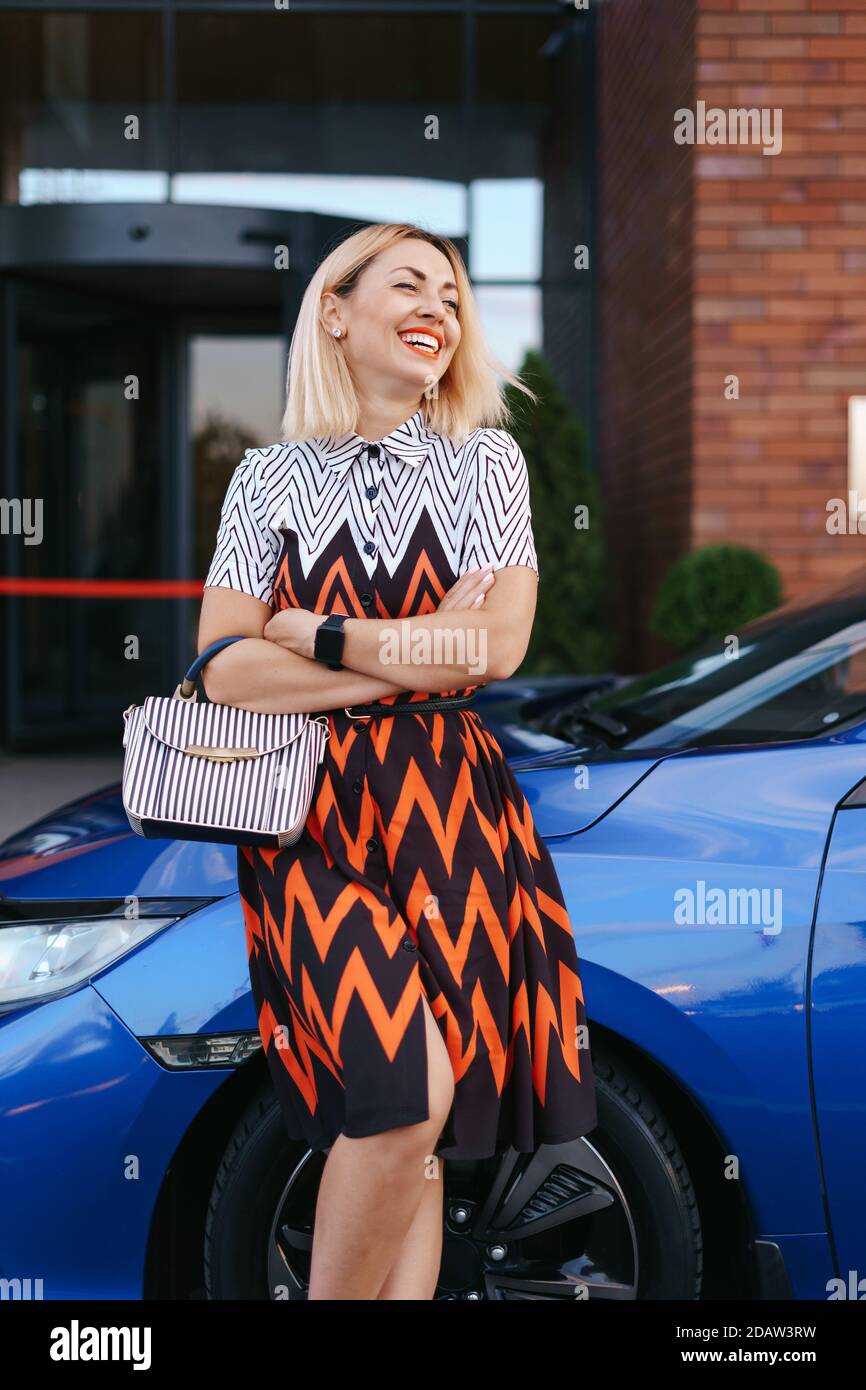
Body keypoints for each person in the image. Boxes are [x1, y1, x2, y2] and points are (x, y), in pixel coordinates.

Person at [198, 221, 597, 1300]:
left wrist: (313, 634)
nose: (438, 308)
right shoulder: (267, 481)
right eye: (409, 284)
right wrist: (406, 666)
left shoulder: (486, 460)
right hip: (310, 823)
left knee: (418, 1130)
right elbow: (223, 671)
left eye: (453, 297)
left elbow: (494, 647)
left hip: (453, 819)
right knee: (398, 1096)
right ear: (334, 309)